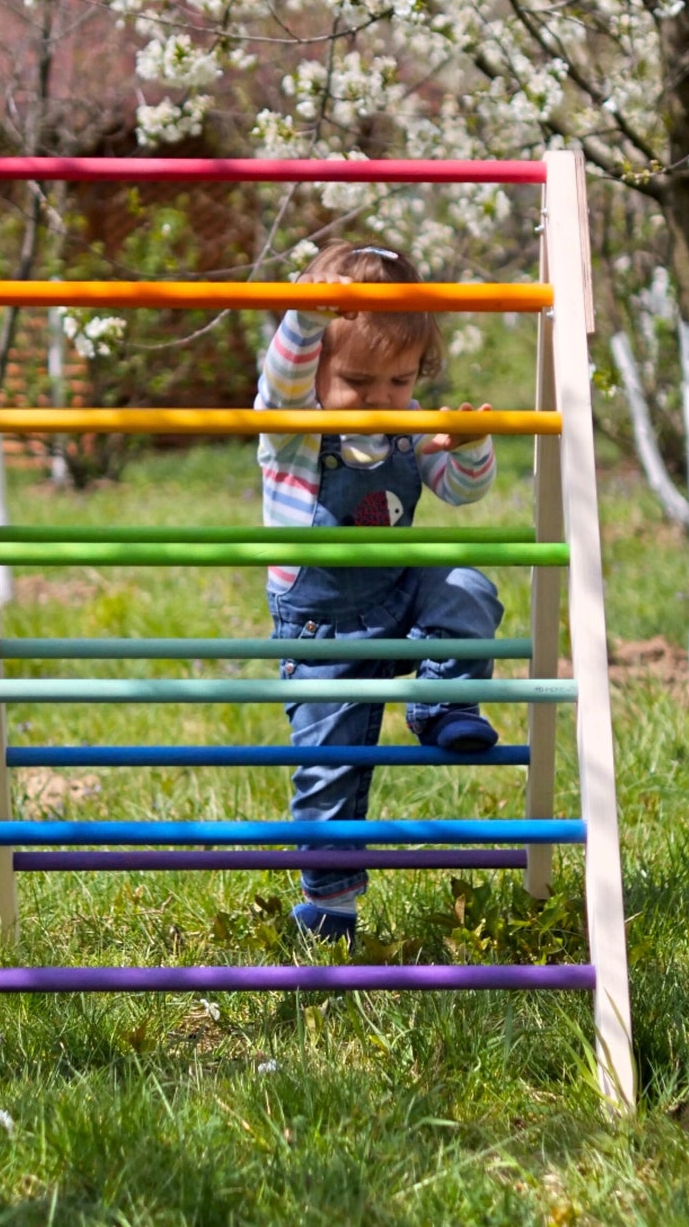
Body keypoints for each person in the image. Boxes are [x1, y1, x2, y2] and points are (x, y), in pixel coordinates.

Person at [255, 240, 504, 946]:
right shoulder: (294, 432)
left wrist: (468, 446)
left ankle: (445, 700)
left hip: (399, 596)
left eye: (399, 382)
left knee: (468, 586)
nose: (382, 402)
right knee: (330, 768)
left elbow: (460, 492)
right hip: (322, 629)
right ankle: (330, 907)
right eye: (359, 383)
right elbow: (280, 384)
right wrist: (304, 320)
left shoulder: (406, 422)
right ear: (319, 372)